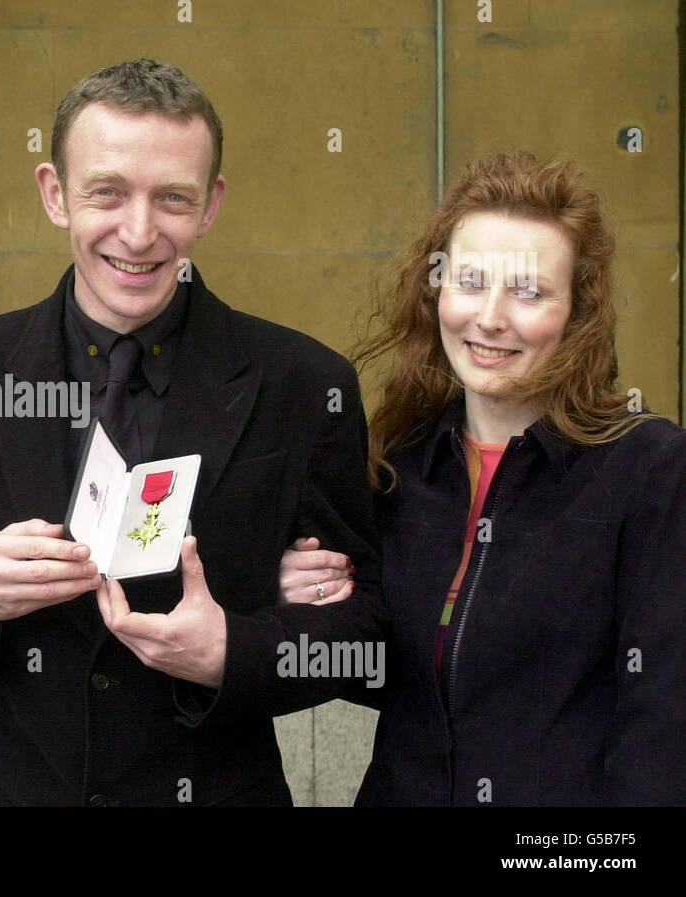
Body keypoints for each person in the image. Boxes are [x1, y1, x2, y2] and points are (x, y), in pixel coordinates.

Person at [0, 59, 388, 806]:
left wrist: (235, 650)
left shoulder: (302, 383)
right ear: (55, 194)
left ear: (211, 205)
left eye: (173, 199)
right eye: (108, 192)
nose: (139, 231)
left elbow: (366, 639)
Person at [279, 152, 686, 805]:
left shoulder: (649, 470)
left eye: (527, 291)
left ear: (578, 313)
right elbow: (379, 680)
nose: (490, 317)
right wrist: (311, 607)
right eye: (469, 281)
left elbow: (663, 730)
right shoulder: (397, 465)